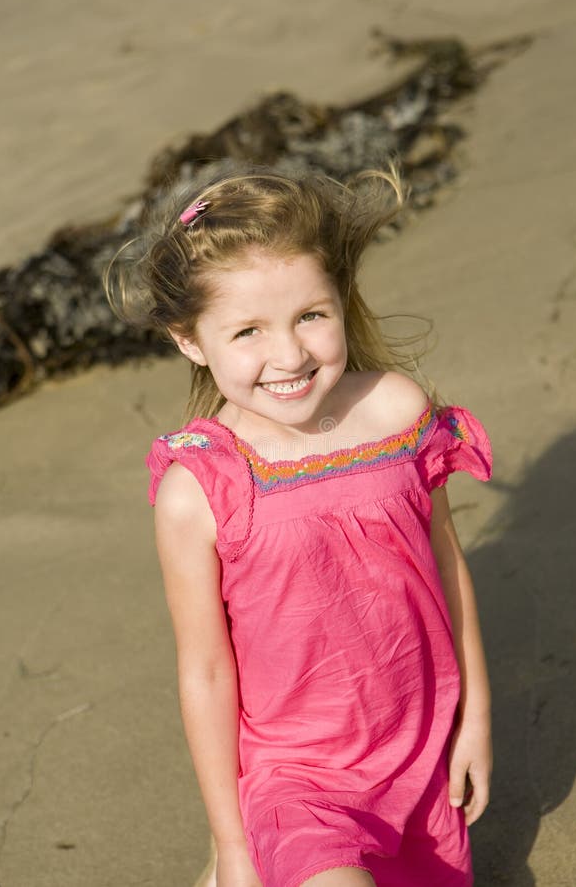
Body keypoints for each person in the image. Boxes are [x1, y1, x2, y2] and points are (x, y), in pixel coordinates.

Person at [106, 164, 493, 887]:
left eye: (310, 315)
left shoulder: (398, 414)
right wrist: (234, 845)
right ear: (190, 340)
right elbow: (206, 671)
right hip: (297, 779)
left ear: (340, 298)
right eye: (247, 330)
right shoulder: (200, 489)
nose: (288, 356)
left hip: (416, 757)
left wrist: (475, 721)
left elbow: (447, 565)